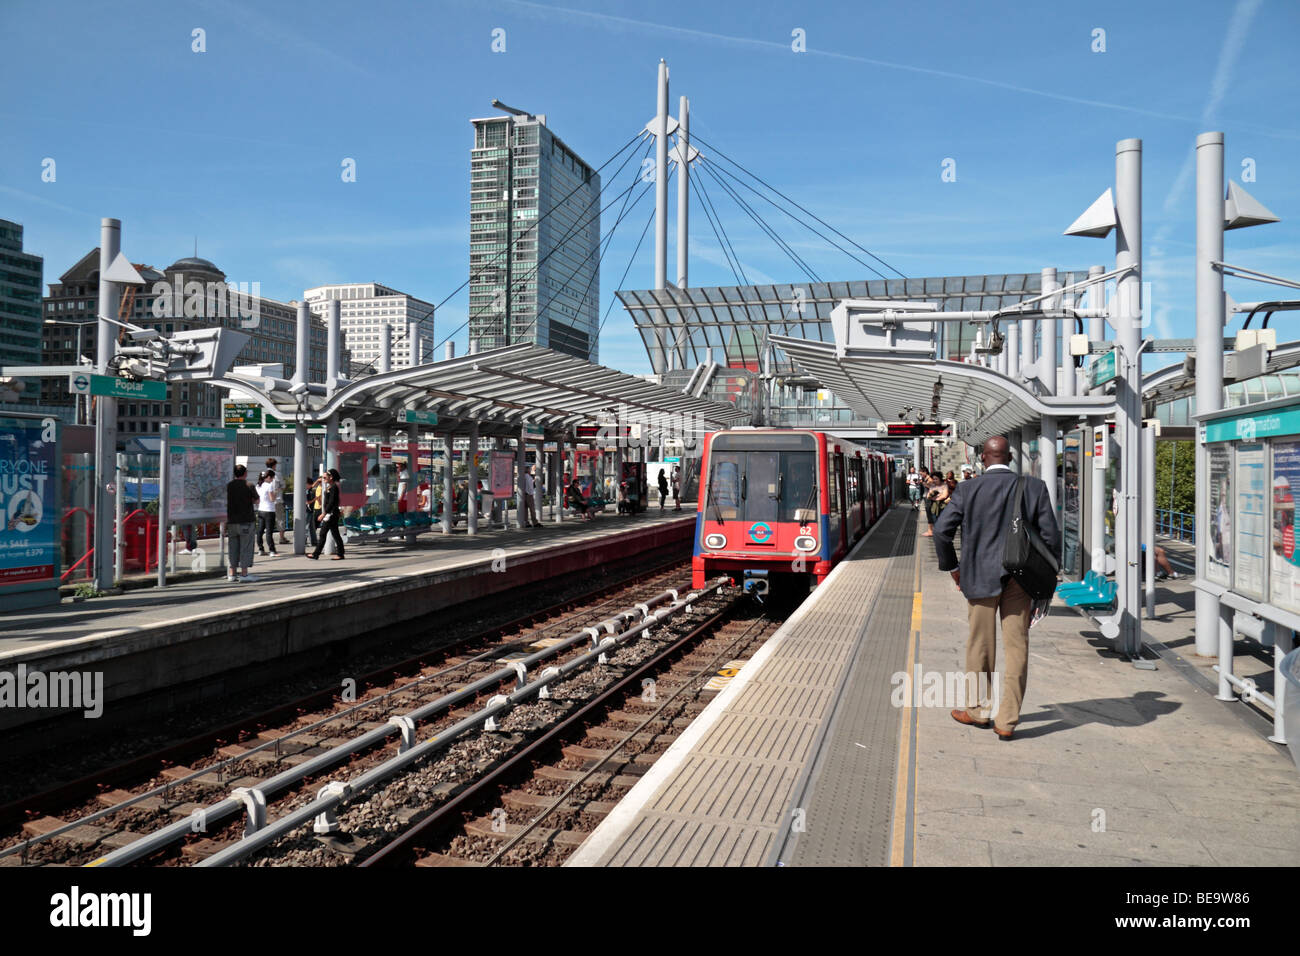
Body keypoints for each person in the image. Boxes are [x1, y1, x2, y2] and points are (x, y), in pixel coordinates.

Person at [933, 435, 1060, 741]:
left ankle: (977, 711)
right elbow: (1051, 538)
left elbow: (941, 532)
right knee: (1017, 647)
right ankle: (1007, 721)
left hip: (979, 579)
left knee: (979, 645)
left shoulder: (967, 489)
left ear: (984, 459)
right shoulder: (1034, 487)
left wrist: (954, 568)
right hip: (1021, 579)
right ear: (1009, 459)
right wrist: (1045, 583)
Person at [225, 464, 257, 583]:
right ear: (245, 473)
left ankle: (232, 573)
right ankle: (244, 574)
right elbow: (257, 500)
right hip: (246, 521)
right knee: (246, 547)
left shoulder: (229, 486)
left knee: (233, 547)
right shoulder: (249, 485)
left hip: (232, 521)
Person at [309, 468, 345, 560]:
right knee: (335, 534)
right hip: (332, 513)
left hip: (331, 514)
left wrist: (324, 513)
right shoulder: (331, 486)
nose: (323, 478)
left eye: (325, 476)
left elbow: (332, 502)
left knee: (323, 534)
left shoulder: (333, 487)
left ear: (331, 477)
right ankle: (340, 553)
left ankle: (316, 554)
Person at [256, 470, 279, 556]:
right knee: (269, 531)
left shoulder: (258, 486)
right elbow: (272, 499)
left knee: (260, 530)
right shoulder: (269, 486)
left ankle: (260, 549)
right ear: (269, 477)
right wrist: (276, 492)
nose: (272, 480)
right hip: (269, 510)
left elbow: (257, 499)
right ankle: (272, 550)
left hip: (261, 510)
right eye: (272, 478)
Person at [266, 458, 288, 546]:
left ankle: (268, 537)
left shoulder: (263, 474)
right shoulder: (277, 474)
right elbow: (283, 485)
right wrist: (279, 489)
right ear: (274, 465)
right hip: (277, 500)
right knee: (280, 518)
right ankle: (282, 538)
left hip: (267, 501)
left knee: (268, 520)